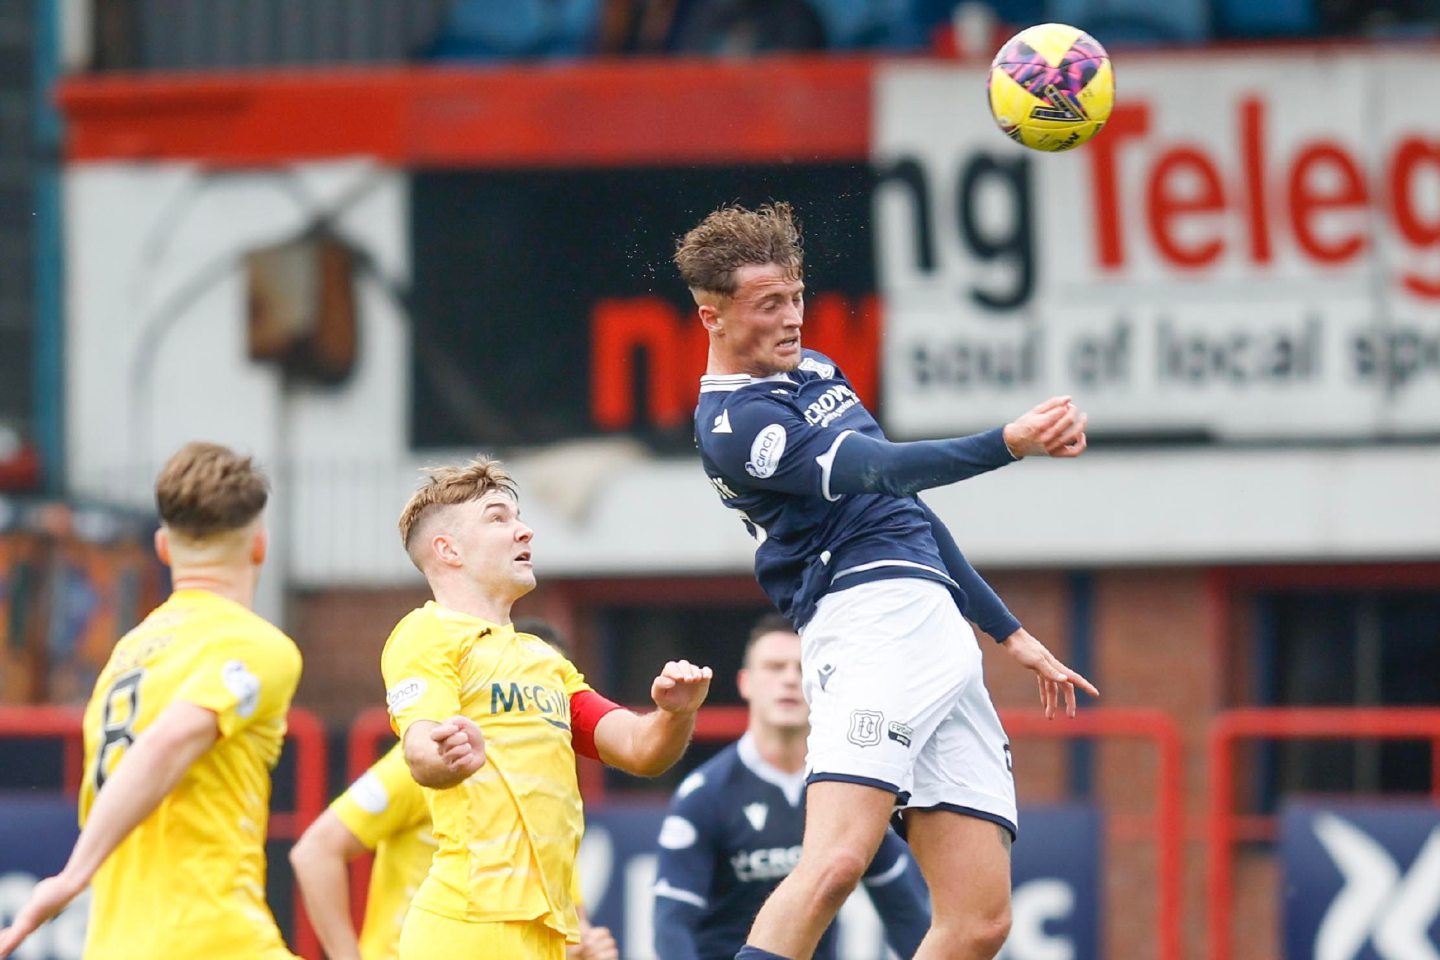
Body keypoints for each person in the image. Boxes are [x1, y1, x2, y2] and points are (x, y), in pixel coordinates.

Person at [675, 202, 1101, 960]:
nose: (793, 317)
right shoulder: (733, 426)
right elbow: (876, 467)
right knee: (836, 862)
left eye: (797, 296)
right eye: (770, 304)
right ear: (712, 316)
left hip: (932, 620)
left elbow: (899, 502)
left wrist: (1009, 632)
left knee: (979, 922)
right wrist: (1006, 442)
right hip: (868, 621)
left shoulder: (813, 370)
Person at [380, 457, 712, 960]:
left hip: (550, 933)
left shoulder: (544, 661)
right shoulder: (427, 632)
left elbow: (640, 752)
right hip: (469, 926)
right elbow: (421, 749)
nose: (524, 530)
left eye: (518, 516)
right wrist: (446, 754)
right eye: (498, 518)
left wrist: (675, 714)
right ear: (447, 550)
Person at [0, 442, 303, 959]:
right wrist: (73, 875)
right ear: (260, 546)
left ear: (163, 548)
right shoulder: (257, 645)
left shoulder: (126, 655)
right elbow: (173, 737)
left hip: (114, 945)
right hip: (209, 939)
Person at [289, 619, 619, 960]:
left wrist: (583, 951)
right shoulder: (429, 760)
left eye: (548, 692)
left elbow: (570, 930)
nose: (533, 699)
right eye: (521, 685)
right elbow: (315, 851)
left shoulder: (551, 798)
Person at [653, 614, 930, 960]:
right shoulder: (704, 796)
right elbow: (672, 928)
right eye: (774, 667)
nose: (788, 679)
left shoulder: (851, 792)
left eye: (801, 668)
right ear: (745, 683)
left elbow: (907, 915)